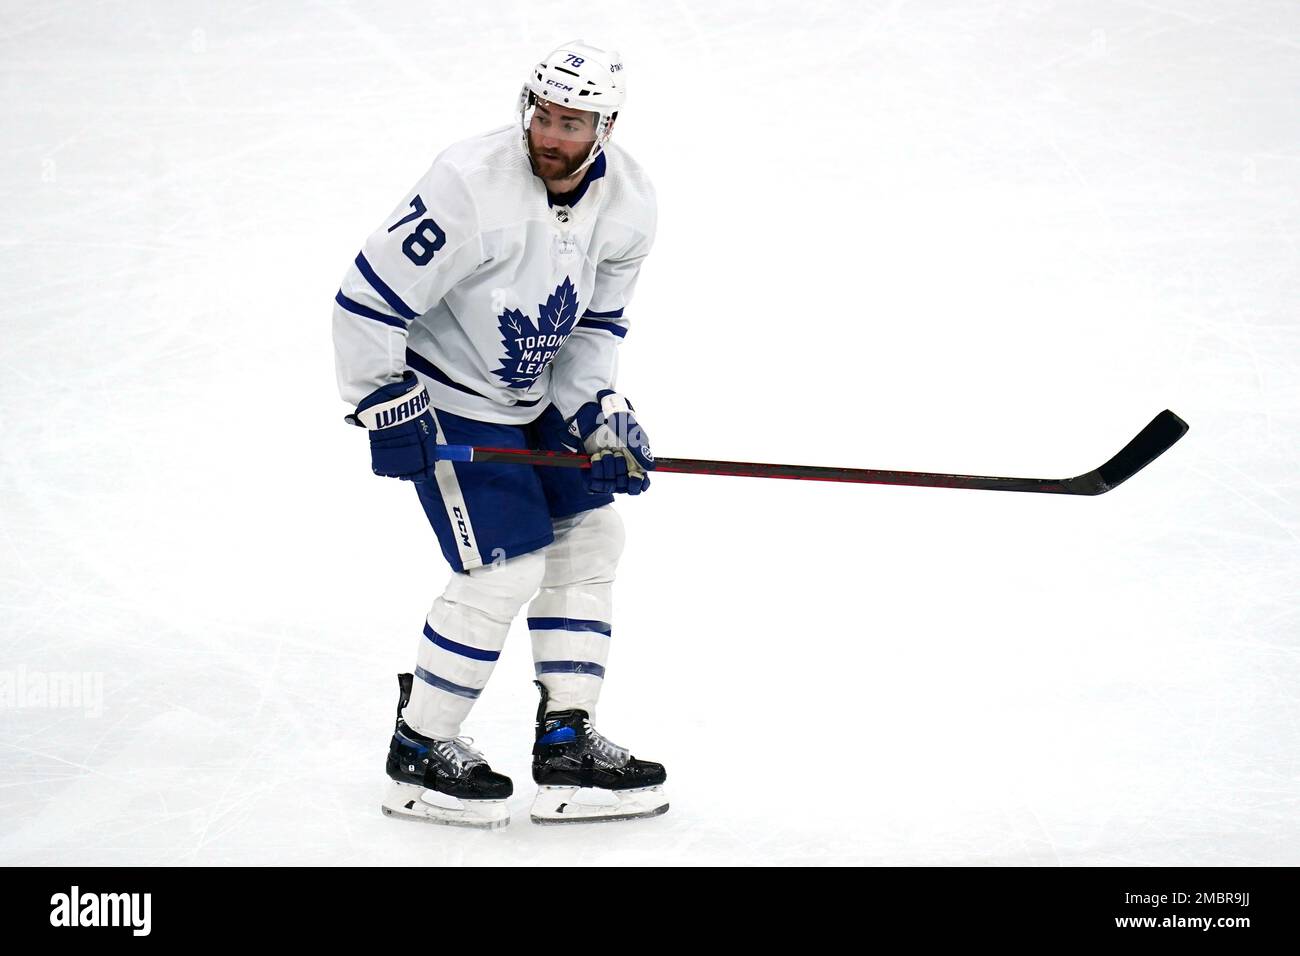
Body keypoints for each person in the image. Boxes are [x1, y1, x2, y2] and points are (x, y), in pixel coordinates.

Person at [332, 40, 667, 828]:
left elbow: (594, 330)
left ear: (605, 126)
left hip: (531, 396)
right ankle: (419, 748)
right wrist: (383, 400)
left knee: (591, 538)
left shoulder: (632, 203)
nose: (551, 134)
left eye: (572, 121)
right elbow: (365, 300)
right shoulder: (466, 186)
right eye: (544, 115)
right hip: (447, 397)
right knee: (505, 567)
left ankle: (566, 741)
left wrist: (598, 412)